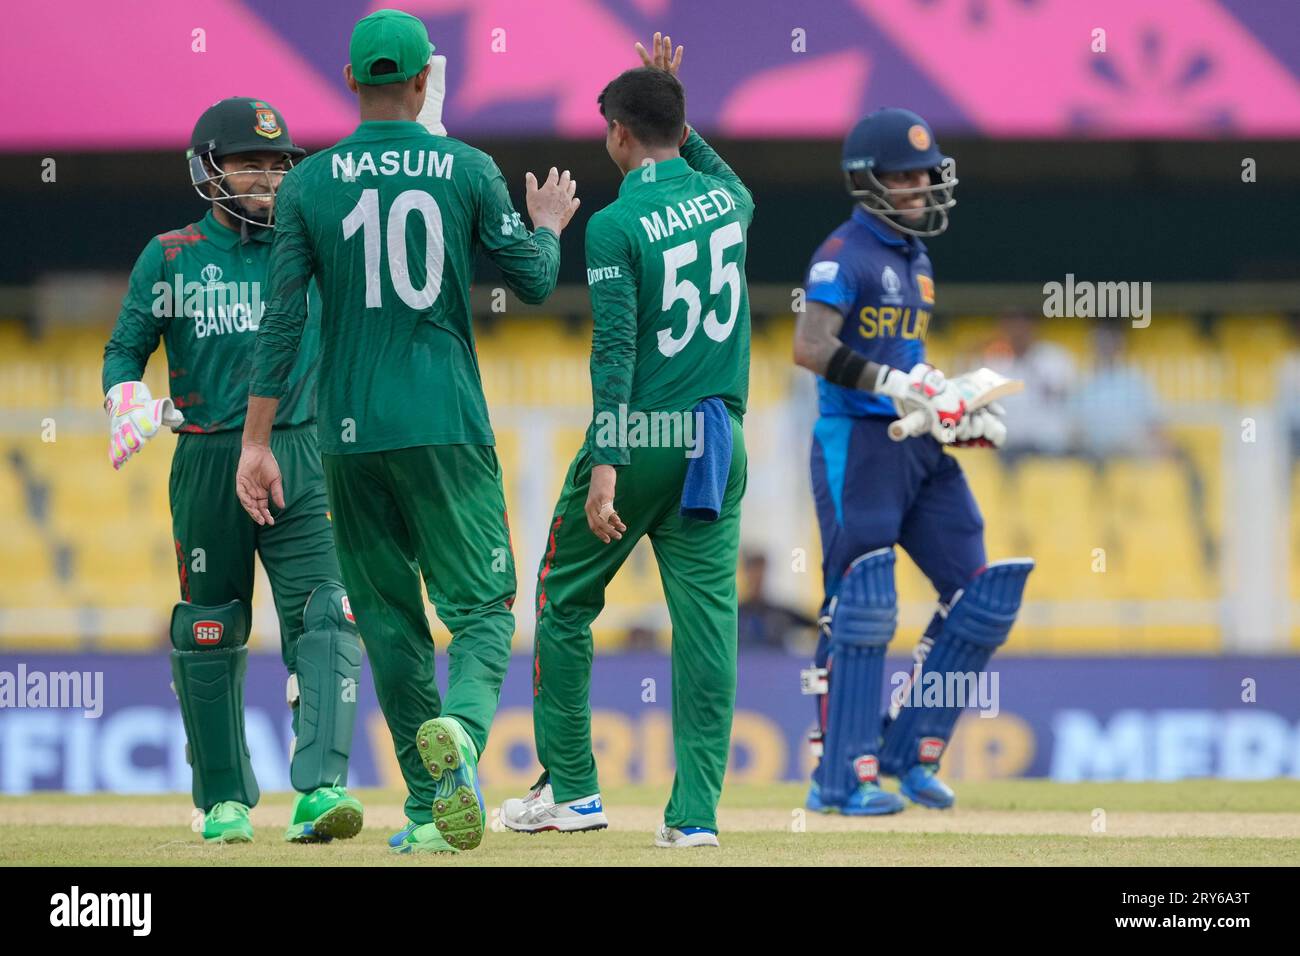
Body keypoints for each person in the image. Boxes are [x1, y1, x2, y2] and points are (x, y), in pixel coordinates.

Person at [235, 8, 580, 854]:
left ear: (350, 81)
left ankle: (427, 812)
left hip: (347, 434)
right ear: (425, 81)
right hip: (446, 422)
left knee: (388, 622)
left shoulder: (307, 185)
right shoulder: (467, 168)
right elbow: (534, 282)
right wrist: (548, 227)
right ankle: (462, 728)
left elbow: (282, 324)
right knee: (486, 605)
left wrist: (254, 442)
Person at [499, 34, 752, 848]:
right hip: (718, 439)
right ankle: (695, 819)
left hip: (640, 434)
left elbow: (613, 352)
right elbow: (724, 178)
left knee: (563, 602)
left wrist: (606, 459)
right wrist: (676, 105)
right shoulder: (727, 203)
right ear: (679, 129)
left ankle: (572, 791)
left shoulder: (614, 226)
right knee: (709, 628)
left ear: (616, 134)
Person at [102, 96, 367, 845]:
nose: (271, 179)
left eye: (282, 165)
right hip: (208, 456)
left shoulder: (315, 245)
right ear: (209, 171)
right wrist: (125, 397)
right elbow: (125, 347)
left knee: (326, 615)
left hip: (300, 450)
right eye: (252, 163)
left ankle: (321, 792)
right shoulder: (172, 254)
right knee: (210, 628)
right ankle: (224, 801)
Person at [791, 107, 1034, 814]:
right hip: (860, 446)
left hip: (917, 445)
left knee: (980, 593)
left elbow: (908, 361)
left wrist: (949, 404)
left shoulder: (915, 260)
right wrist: (894, 387)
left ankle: (908, 751)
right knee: (862, 604)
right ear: (867, 181)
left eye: (927, 174)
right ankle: (840, 776)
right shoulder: (843, 253)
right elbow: (809, 347)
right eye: (905, 176)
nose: (922, 187)